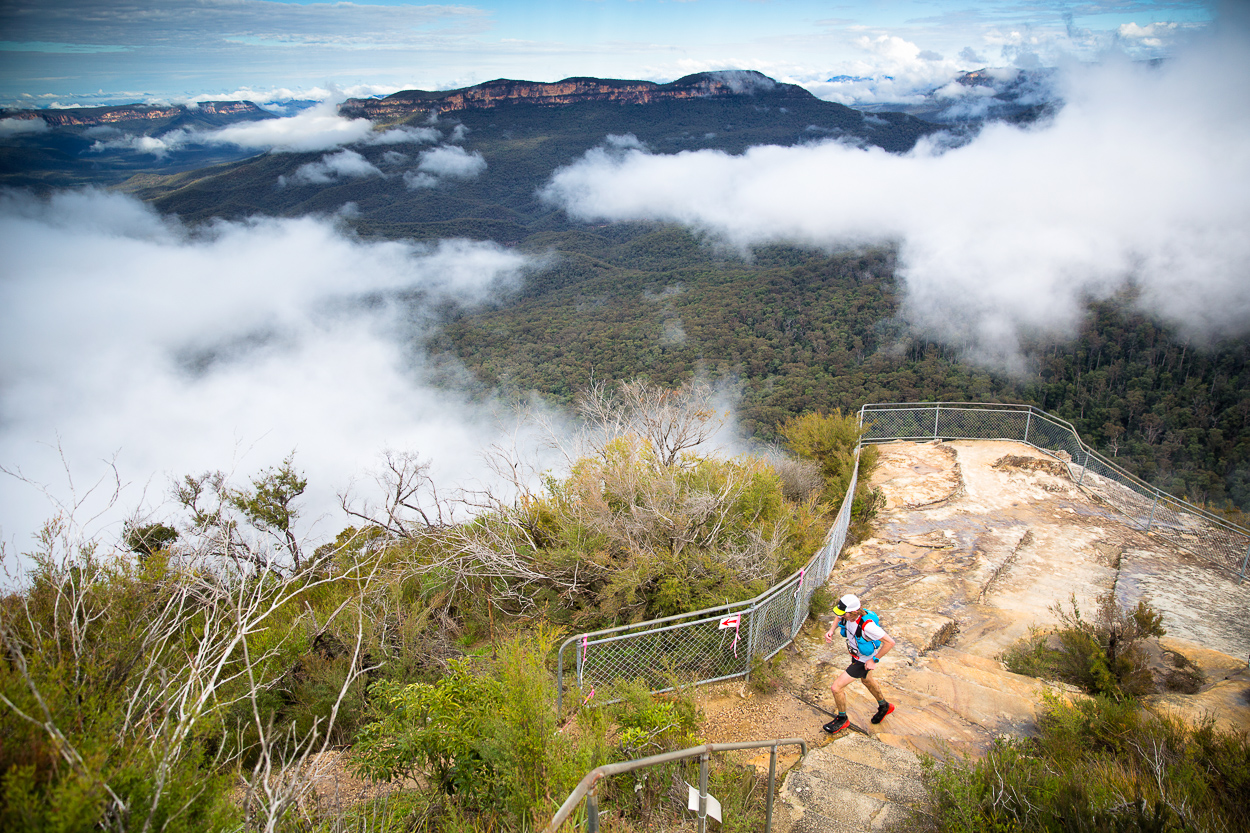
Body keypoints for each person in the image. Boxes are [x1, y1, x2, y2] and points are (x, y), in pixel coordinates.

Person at [822, 593, 895, 733]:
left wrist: (874, 660)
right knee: (867, 680)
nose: (841, 616)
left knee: (836, 688)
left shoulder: (868, 627)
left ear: (854, 612)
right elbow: (838, 617)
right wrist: (831, 630)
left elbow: (890, 642)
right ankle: (884, 706)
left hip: (863, 661)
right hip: (856, 655)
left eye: (844, 614)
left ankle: (842, 719)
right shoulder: (847, 615)